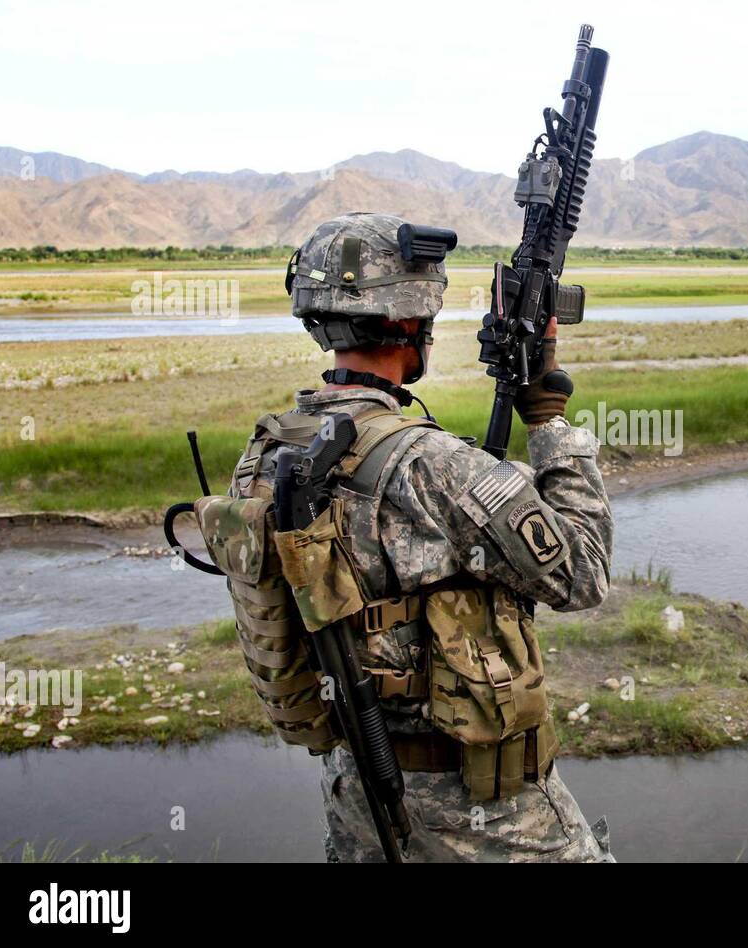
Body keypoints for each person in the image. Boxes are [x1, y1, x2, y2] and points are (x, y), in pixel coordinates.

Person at [232, 212, 614, 862]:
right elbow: (581, 572)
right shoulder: (431, 465)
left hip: (360, 784)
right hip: (479, 805)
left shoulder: (267, 454)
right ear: (411, 322)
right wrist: (548, 418)